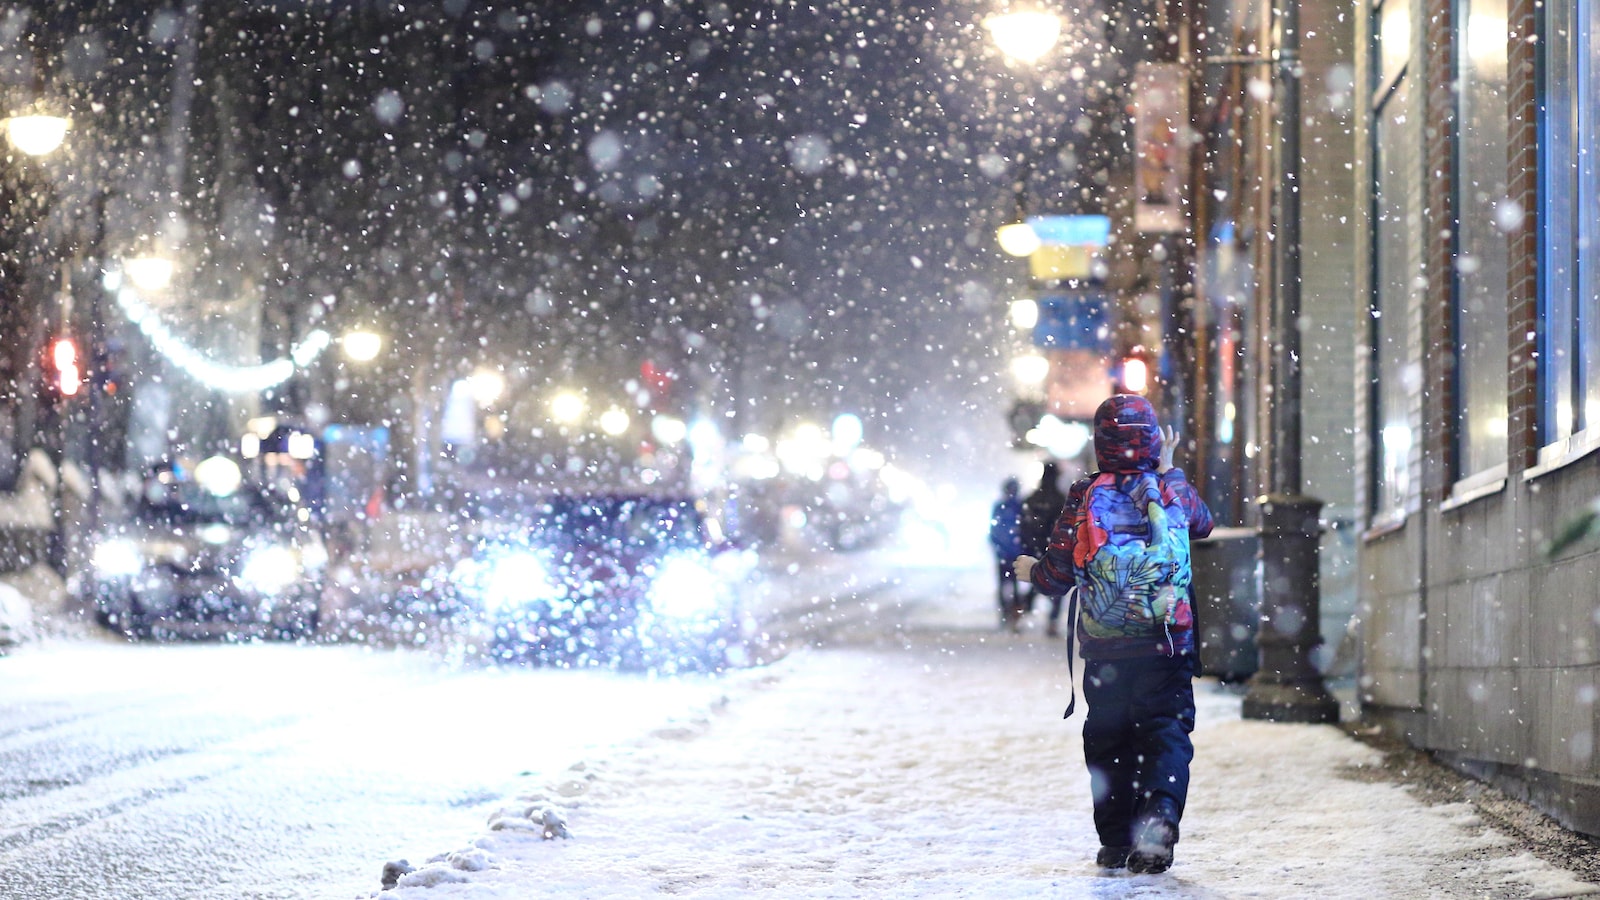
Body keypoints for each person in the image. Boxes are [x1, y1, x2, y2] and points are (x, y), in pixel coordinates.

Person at [1014, 394, 1214, 875]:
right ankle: (1158, 824)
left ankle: (1116, 842)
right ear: (1152, 438)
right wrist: (1168, 471)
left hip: (1107, 646)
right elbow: (1202, 524)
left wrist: (1032, 573)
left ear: (1100, 441)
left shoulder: (1085, 493)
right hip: (1167, 639)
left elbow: (1060, 572)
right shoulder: (1169, 489)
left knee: (1109, 741)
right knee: (1165, 733)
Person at [1018, 460, 1068, 635]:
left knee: (1035, 581)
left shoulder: (1032, 499)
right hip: (1053, 550)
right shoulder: (1061, 499)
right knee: (1055, 585)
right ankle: (1052, 622)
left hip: (1034, 547)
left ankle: (1020, 612)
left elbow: (1023, 525)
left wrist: (1027, 544)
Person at [987, 477, 1026, 631]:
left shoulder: (1000, 506)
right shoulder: (1020, 506)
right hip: (1016, 552)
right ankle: (1015, 615)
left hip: (1003, 553)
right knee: (1015, 586)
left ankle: (1005, 614)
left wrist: (997, 546)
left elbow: (994, 530)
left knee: (1004, 585)